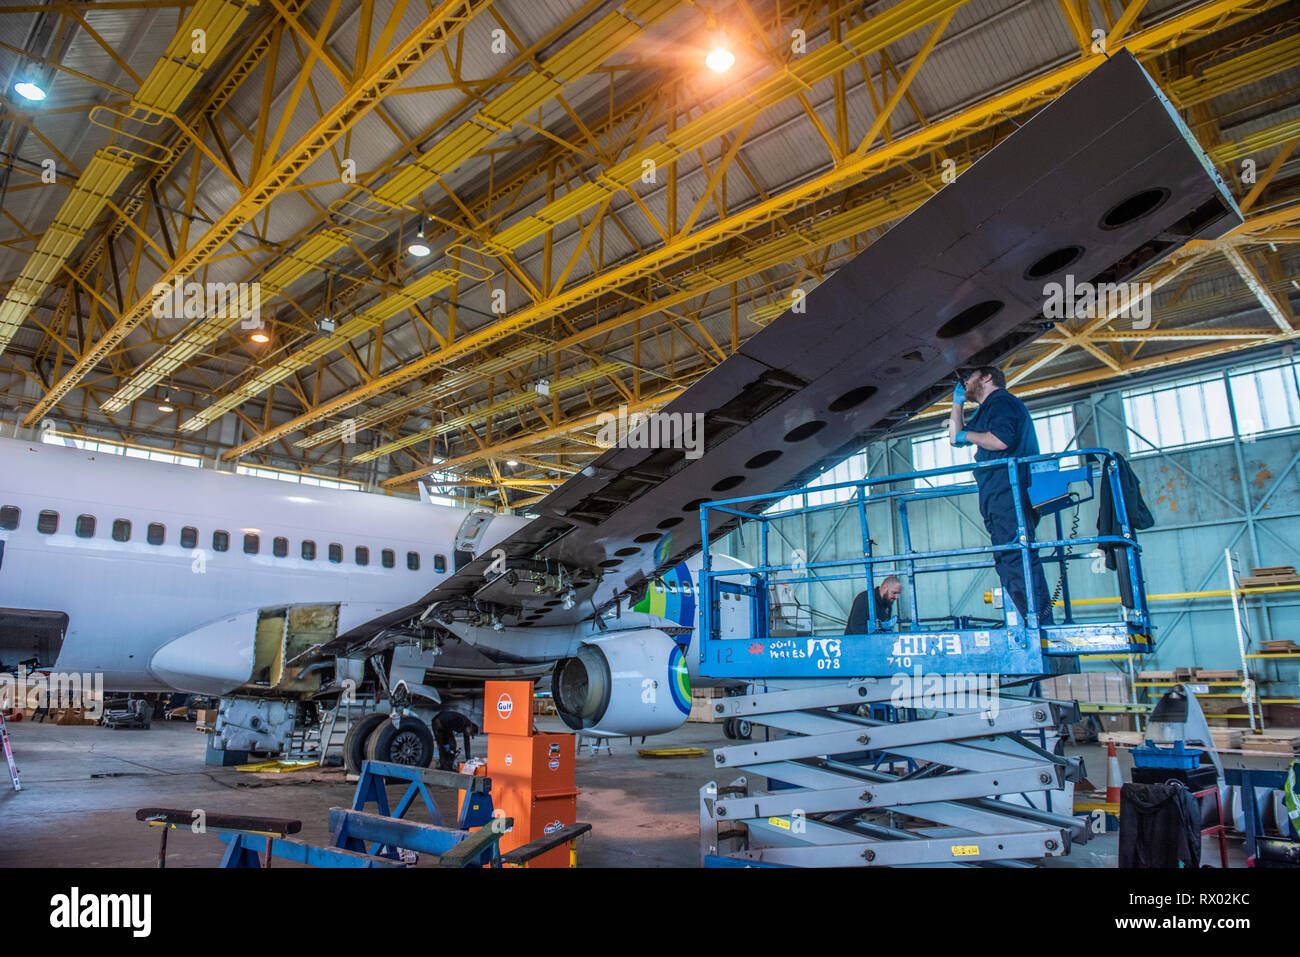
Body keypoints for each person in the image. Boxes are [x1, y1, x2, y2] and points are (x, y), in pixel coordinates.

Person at [948, 366, 1054, 626]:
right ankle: (1031, 619)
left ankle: (1036, 621)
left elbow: (1000, 441)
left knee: (1015, 556)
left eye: (969, 377)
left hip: (1010, 491)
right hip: (998, 492)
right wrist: (957, 405)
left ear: (987, 377)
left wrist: (967, 434)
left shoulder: (1002, 402)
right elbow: (954, 439)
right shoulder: (987, 409)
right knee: (1008, 558)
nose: (964, 382)